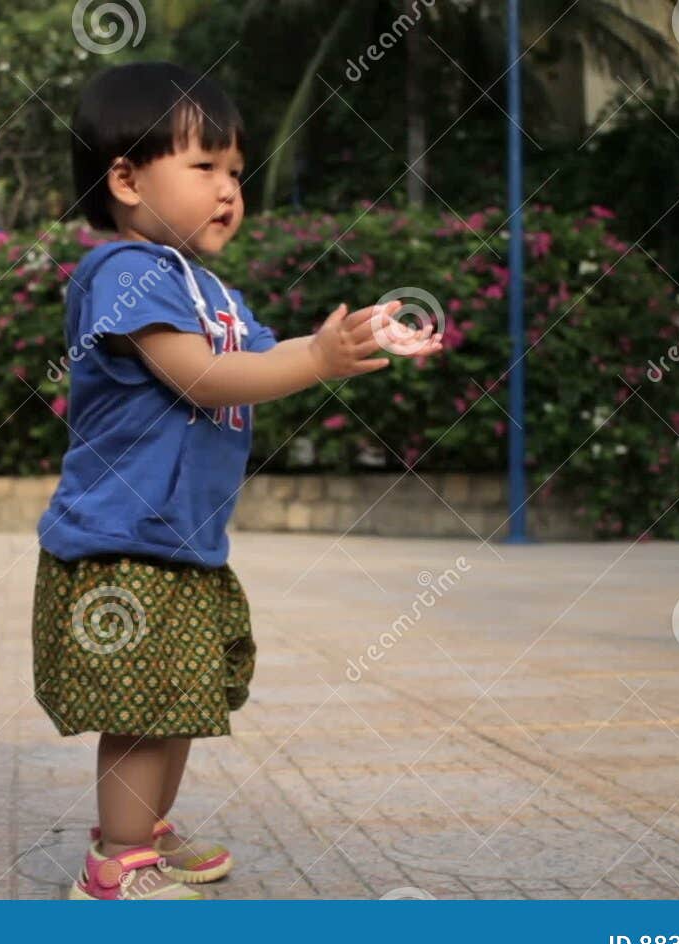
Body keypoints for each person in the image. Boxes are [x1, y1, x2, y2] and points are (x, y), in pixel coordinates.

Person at [31, 61, 442, 900]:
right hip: (122, 542)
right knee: (141, 710)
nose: (229, 190)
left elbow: (262, 355)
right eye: (204, 167)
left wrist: (347, 342)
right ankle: (115, 865)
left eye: (237, 173)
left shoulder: (210, 288)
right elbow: (204, 378)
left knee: (177, 698)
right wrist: (317, 361)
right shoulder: (122, 272)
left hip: (180, 539)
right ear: (125, 178)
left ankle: (144, 832)